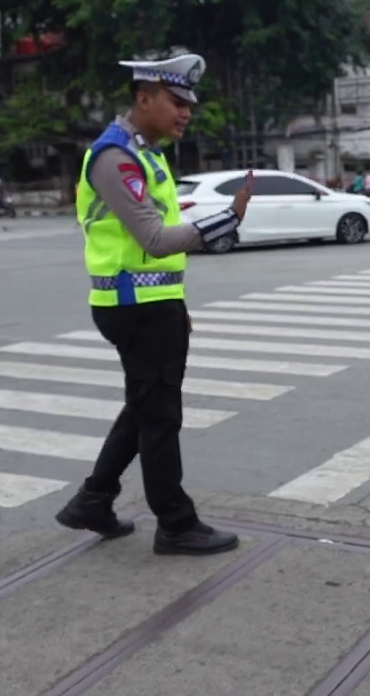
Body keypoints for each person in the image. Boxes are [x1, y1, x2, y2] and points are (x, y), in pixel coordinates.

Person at [54, 53, 250, 555]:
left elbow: (147, 248)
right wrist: (226, 220)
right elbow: (154, 238)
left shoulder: (146, 154)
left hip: (150, 303)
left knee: (145, 408)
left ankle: (93, 500)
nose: (185, 112)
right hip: (133, 308)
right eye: (176, 101)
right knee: (160, 416)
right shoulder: (114, 158)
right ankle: (175, 524)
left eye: (189, 104)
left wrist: (174, 300)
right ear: (144, 99)